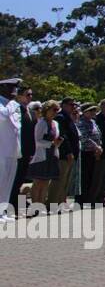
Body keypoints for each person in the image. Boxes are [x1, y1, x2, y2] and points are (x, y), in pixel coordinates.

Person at [28, 101, 61, 212]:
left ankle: (41, 206)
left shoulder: (56, 123)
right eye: (54, 110)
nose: (55, 113)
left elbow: (56, 137)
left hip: (52, 155)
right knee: (38, 182)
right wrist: (51, 143)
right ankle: (35, 207)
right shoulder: (41, 123)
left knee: (46, 182)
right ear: (47, 110)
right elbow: (37, 140)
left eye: (57, 110)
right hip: (41, 155)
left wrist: (57, 143)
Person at [0, 78, 23, 222]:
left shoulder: (13, 105)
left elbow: (17, 128)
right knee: (0, 182)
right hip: (2, 150)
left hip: (13, 150)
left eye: (15, 88)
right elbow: (2, 116)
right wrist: (11, 106)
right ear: (2, 88)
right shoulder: (4, 104)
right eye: (11, 88)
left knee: (8, 183)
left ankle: (2, 212)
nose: (14, 91)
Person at [53, 98, 81, 209]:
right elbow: (64, 136)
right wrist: (68, 152)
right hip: (64, 154)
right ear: (63, 105)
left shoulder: (68, 117)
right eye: (71, 105)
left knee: (66, 181)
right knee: (60, 180)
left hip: (71, 154)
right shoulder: (61, 117)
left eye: (74, 105)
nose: (73, 107)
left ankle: (62, 201)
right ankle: (55, 203)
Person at [76, 103, 102, 204]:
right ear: (84, 112)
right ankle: (81, 200)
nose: (93, 113)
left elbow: (98, 135)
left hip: (94, 153)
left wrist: (99, 147)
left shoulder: (93, 122)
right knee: (84, 178)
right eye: (90, 111)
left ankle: (90, 199)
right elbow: (84, 137)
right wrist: (96, 146)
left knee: (92, 178)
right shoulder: (81, 122)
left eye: (94, 111)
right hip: (85, 152)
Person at [15, 84, 35, 210]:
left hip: (28, 152)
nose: (30, 97)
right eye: (28, 95)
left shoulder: (31, 112)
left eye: (31, 95)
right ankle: (14, 204)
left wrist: (33, 151)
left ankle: (20, 203)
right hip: (18, 150)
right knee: (15, 180)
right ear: (19, 96)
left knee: (22, 179)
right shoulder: (16, 111)